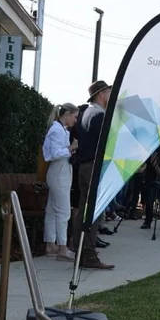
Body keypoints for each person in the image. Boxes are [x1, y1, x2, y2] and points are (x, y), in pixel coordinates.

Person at [70, 80, 114, 270]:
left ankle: (79, 251)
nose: (111, 95)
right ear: (101, 94)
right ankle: (88, 254)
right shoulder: (99, 116)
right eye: (109, 92)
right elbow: (108, 142)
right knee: (93, 212)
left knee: (83, 211)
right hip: (94, 168)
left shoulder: (86, 114)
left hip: (84, 167)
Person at [42, 103, 79, 261]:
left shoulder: (61, 130)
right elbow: (55, 153)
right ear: (68, 114)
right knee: (63, 211)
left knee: (52, 209)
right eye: (75, 117)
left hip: (59, 172)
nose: (75, 120)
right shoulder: (57, 130)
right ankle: (62, 247)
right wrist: (71, 147)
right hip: (59, 174)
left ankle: (51, 244)